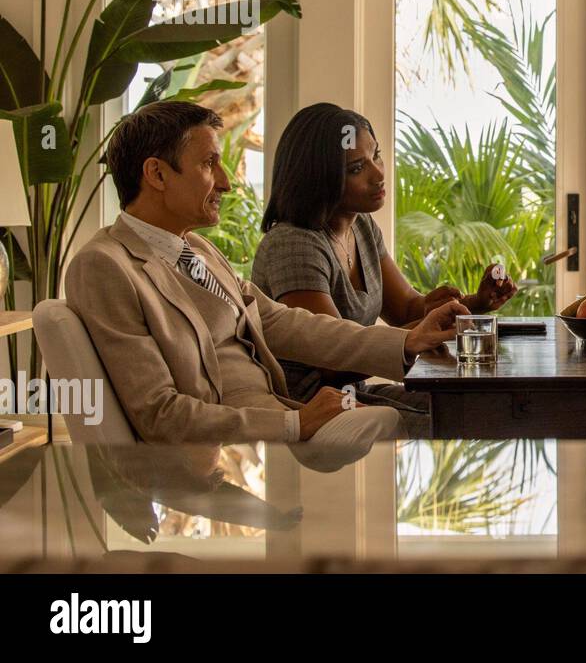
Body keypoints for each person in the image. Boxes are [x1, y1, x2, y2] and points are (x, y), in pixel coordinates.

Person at [65, 101, 468, 470]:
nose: (225, 182)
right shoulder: (104, 266)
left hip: (282, 412)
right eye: (210, 164)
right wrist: (293, 424)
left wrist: (405, 343)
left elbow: (283, 323)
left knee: (453, 413)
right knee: (444, 423)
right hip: (238, 452)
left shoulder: (196, 249)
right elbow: (159, 413)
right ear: (156, 173)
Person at [251, 103, 517, 436]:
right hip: (310, 407)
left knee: (476, 409)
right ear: (317, 175)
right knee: (451, 426)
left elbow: (406, 308)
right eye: (357, 168)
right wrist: (426, 330)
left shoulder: (360, 226)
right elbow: (332, 362)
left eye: (376, 156)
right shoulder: (294, 245)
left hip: (352, 393)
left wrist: (476, 303)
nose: (378, 174)